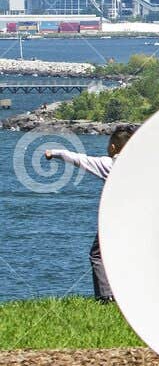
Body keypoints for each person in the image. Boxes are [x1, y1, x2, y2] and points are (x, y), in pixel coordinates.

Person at [42, 124, 138, 302]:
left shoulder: (108, 164)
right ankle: (130, 292)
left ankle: (106, 296)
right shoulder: (140, 167)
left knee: (97, 255)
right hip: (139, 219)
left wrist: (53, 152)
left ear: (112, 147)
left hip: (116, 219)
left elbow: (78, 159)